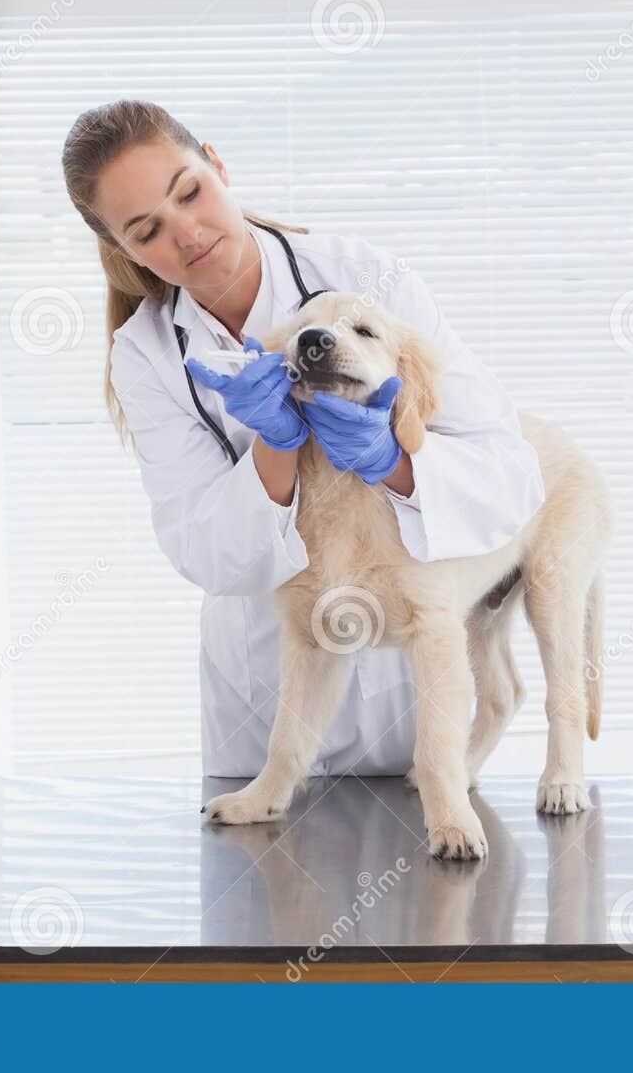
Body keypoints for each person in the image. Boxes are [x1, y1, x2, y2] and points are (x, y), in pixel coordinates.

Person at [61, 99, 545, 779]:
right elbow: (202, 549)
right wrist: (274, 447)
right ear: (123, 250)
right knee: (267, 873)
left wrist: (394, 464)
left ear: (217, 164)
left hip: (400, 673)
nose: (188, 233)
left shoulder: (362, 277)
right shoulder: (145, 355)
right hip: (265, 691)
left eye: (190, 192)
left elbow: (510, 474)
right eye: (147, 230)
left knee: (426, 869)